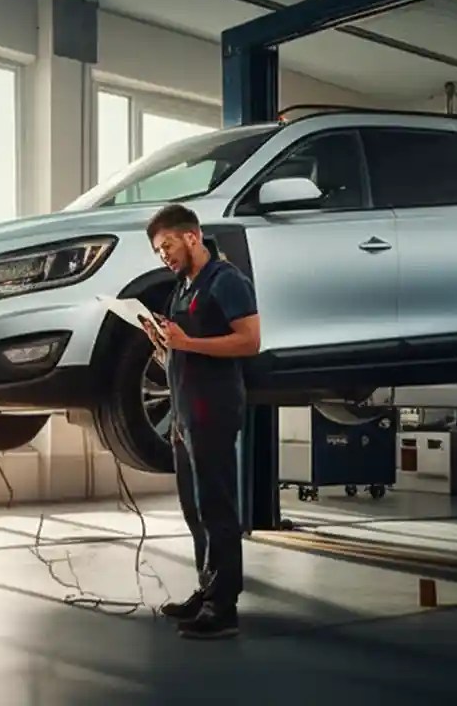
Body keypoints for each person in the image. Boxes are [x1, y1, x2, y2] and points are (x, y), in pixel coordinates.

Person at [142, 203, 261, 640]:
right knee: (194, 509)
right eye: (158, 251)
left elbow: (250, 341)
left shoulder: (226, 281)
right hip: (185, 412)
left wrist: (187, 340)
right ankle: (206, 588)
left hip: (212, 408)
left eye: (167, 246)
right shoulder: (182, 287)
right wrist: (163, 345)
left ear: (191, 237)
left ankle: (223, 606)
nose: (164, 256)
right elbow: (184, 352)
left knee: (217, 506)